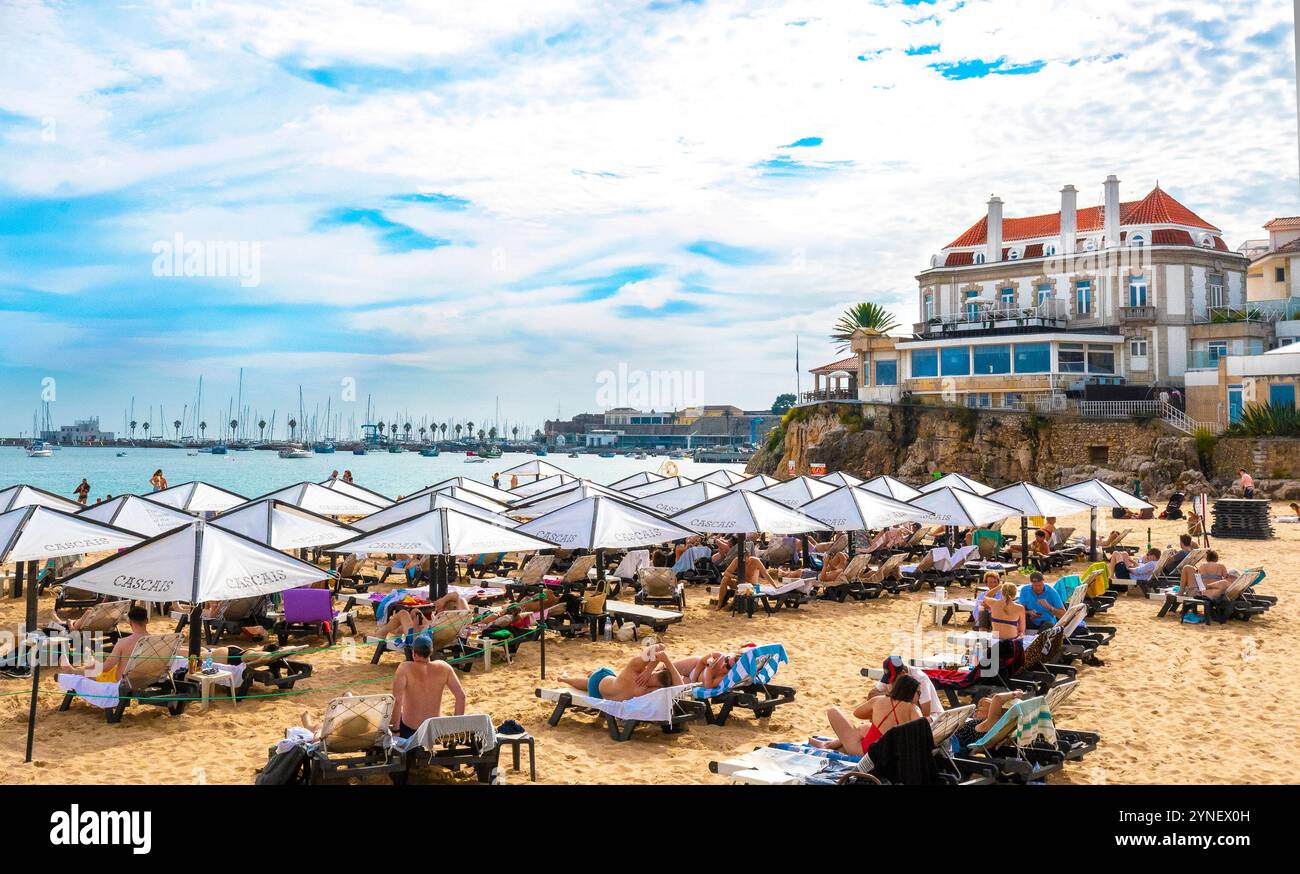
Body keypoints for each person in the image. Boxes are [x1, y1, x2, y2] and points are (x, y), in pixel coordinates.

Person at [811, 674, 924, 757]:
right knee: (866, 728)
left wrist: (876, 715)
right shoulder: (914, 710)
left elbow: (857, 713)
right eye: (918, 693)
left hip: (866, 753)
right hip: (889, 755)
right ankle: (829, 745)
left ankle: (827, 746)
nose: (919, 696)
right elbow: (921, 734)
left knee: (833, 711)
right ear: (911, 692)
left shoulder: (879, 701)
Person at [390, 636, 466, 739]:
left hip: (410, 730)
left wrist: (395, 730)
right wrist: (456, 728)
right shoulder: (445, 667)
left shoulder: (405, 668)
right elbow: (461, 696)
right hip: (433, 730)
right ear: (431, 652)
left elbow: (397, 700)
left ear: (414, 653)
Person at [557, 643, 684, 701]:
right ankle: (565, 678)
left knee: (590, 682)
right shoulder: (648, 689)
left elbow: (660, 648)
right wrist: (661, 665)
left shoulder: (636, 671)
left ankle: (565, 678)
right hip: (602, 684)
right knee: (590, 681)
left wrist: (651, 669)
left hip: (600, 686)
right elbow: (660, 647)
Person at [869, 655, 945, 719]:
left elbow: (925, 713)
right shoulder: (891, 675)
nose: (892, 682)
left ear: (903, 673)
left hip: (934, 718)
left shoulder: (920, 679)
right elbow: (871, 694)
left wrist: (895, 697)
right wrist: (891, 695)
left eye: (894, 679)